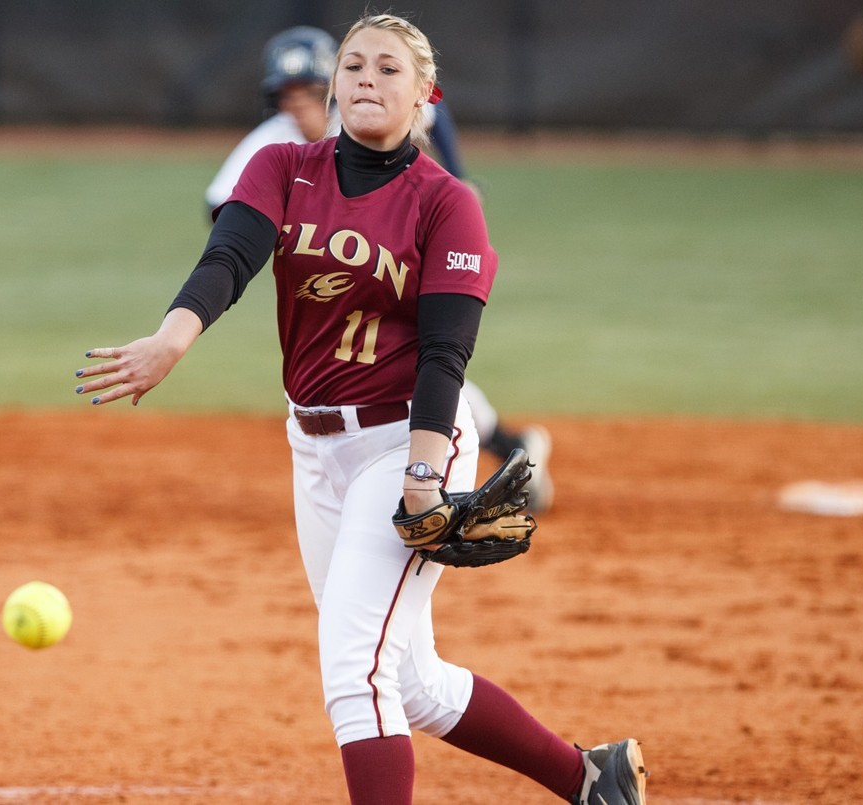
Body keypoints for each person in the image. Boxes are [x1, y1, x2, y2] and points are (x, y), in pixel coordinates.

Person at [75, 13, 645, 805]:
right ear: (335, 84)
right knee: (410, 681)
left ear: (424, 97)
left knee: (353, 663)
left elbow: (446, 354)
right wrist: (173, 338)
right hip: (314, 448)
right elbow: (230, 255)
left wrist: (421, 474)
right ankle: (591, 777)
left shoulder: (447, 205)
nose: (366, 80)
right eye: (353, 67)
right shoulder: (283, 164)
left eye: (388, 69)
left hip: (406, 440)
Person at [204, 24, 555, 513]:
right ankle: (508, 439)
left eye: (306, 90)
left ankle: (504, 442)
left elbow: (436, 107)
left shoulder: (371, 115)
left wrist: (458, 174)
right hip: (325, 303)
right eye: (286, 95)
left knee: (419, 360)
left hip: (401, 289)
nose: (298, 104)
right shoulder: (277, 145)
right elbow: (222, 210)